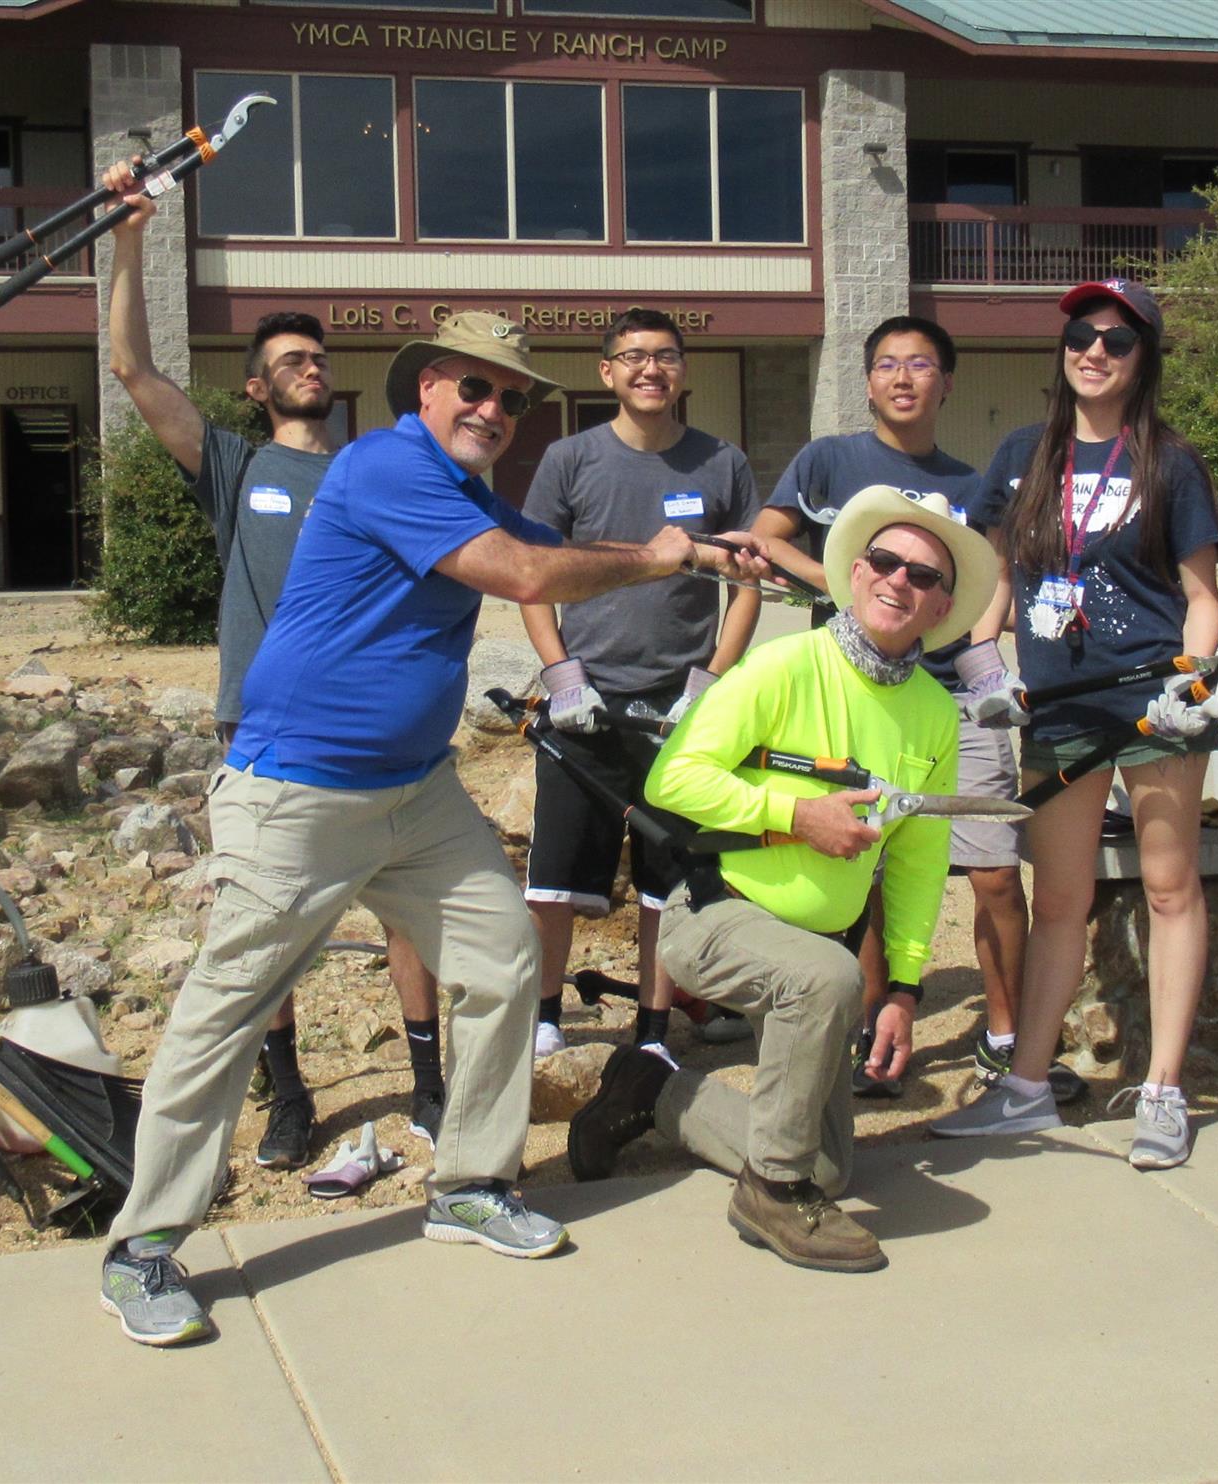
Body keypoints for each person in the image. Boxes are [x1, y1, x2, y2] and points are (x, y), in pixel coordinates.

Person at [97, 311, 768, 1345]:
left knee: (502, 960)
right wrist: (659, 557)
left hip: (414, 790)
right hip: (298, 792)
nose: (495, 410)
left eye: (513, 399)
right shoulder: (383, 465)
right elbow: (528, 575)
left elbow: (566, 545)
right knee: (228, 1007)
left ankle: (468, 1182)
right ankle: (142, 1246)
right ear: (426, 390)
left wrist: (711, 554)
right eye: (475, 388)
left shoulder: (469, 493)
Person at [101, 156, 443, 1171]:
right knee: (268, 922)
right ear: (256, 386)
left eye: (316, 352)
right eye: (290, 355)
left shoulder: (376, 472)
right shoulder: (235, 468)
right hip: (260, 730)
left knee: (406, 911)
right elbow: (132, 370)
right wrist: (130, 238)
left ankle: (430, 1079)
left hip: (379, 731)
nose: (310, 362)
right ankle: (287, 1092)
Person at [565, 486, 997, 1272]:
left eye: (925, 577)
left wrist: (904, 987)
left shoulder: (936, 711)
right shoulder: (784, 664)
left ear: (941, 608)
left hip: (816, 953)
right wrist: (798, 818)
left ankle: (652, 1091)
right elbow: (672, 779)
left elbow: (918, 855)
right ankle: (769, 1195)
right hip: (717, 914)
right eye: (885, 562)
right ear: (854, 572)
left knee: (827, 1167)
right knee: (828, 987)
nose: (900, 581)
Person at [932, 278, 1218, 1169]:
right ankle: (1026, 1089)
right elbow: (990, 579)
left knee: (1170, 890)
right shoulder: (1025, 453)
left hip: (1153, 703)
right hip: (1056, 708)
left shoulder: (1170, 462)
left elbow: (1205, 596)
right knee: (1058, 899)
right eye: (1080, 336)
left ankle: (1165, 1092)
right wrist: (983, 662)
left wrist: (1198, 684)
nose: (1094, 351)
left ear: (1144, 360)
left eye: (1117, 340)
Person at [750, 315, 1036, 1101]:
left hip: (955, 699)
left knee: (995, 872)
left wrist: (984, 661)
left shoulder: (971, 483)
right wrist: (847, 585)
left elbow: (993, 578)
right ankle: (871, 1036)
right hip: (856, 697)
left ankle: (1007, 1037)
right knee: (868, 869)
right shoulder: (829, 459)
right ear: (867, 379)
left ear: (947, 381)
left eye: (918, 364)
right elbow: (766, 539)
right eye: (885, 364)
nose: (902, 377)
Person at [520, 308, 760, 1065]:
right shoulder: (569, 459)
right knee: (555, 879)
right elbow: (533, 577)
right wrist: (561, 674)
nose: (649, 369)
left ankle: (654, 1031)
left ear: (684, 369)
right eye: (633, 357)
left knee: (669, 882)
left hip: (679, 712)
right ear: (607, 371)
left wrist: (711, 682)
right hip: (584, 706)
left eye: (664, 356)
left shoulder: (721, 463)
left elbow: (749, 583)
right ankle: (542, 1014)